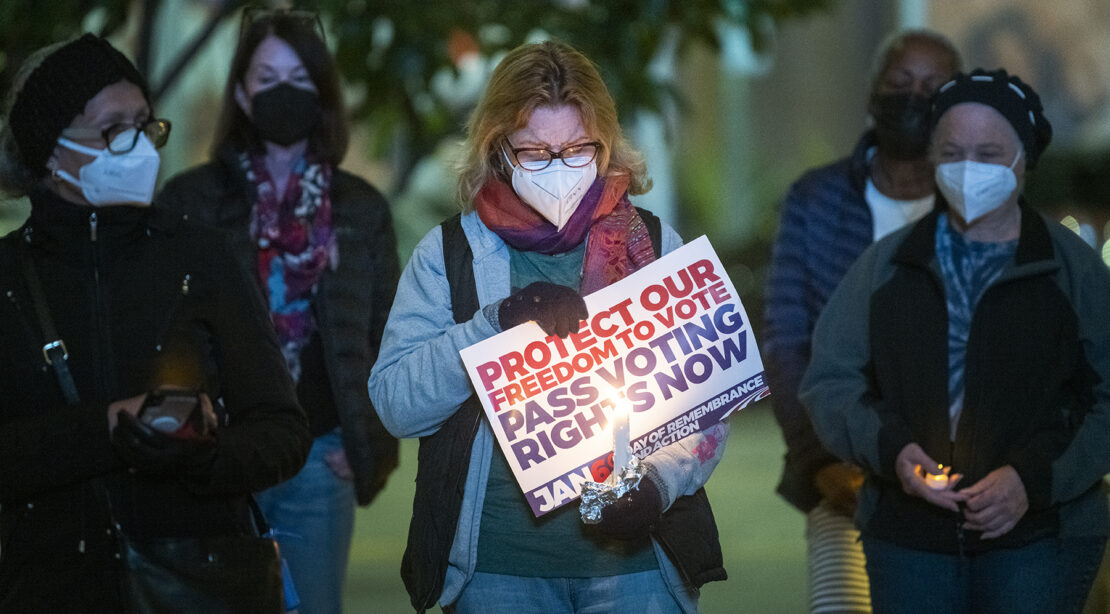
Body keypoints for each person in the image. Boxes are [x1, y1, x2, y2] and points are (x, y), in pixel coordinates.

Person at [368, 40, 730, 614]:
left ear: (604, 144)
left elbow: (706, 402)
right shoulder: (449, 255)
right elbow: (395, 404)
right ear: (498, 150)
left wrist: (658, 485)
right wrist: (491, 328)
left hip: (636, 571)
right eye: (536, 152)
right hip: (497, 570)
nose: (559, 168)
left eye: (577, 149)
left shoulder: (654, 247)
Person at [0, 34, 311, 611]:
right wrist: (109, 430)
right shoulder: (10, 278)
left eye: (146, 124)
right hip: (50, 587)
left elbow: (282, 433)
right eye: (116, 130)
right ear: (50, 151)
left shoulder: (200, 256)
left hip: (197, 583)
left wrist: (204, 454)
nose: (142, 145)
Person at [800, 68, 1110, 614]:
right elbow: (830, 381)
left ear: (1024, 159)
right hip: (908, 542)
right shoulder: (885, 267)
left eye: (989, 152)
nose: (970, 169)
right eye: (952, 150)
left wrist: (1032, 481)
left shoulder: (1075, 272)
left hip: (1042, 541)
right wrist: (892, 453)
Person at [157, 8, 400, 614]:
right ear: (240, 90)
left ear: (321, 91)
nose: (282, 92)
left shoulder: (360, 208)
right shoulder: (191, 201)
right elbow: (164, 331)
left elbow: (388, 334)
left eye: (298, 77)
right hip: (219, 460)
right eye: (267, 77)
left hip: (322, 457)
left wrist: (368, 437)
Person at [762, 29, 961, 613]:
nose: (914, 99)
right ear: (873, 95)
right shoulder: (816, 200)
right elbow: (787, 341)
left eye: (933, 88)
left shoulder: (981, 206)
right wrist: (819, 459)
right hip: (846, 471)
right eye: (900, 85)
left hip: (963, 477)